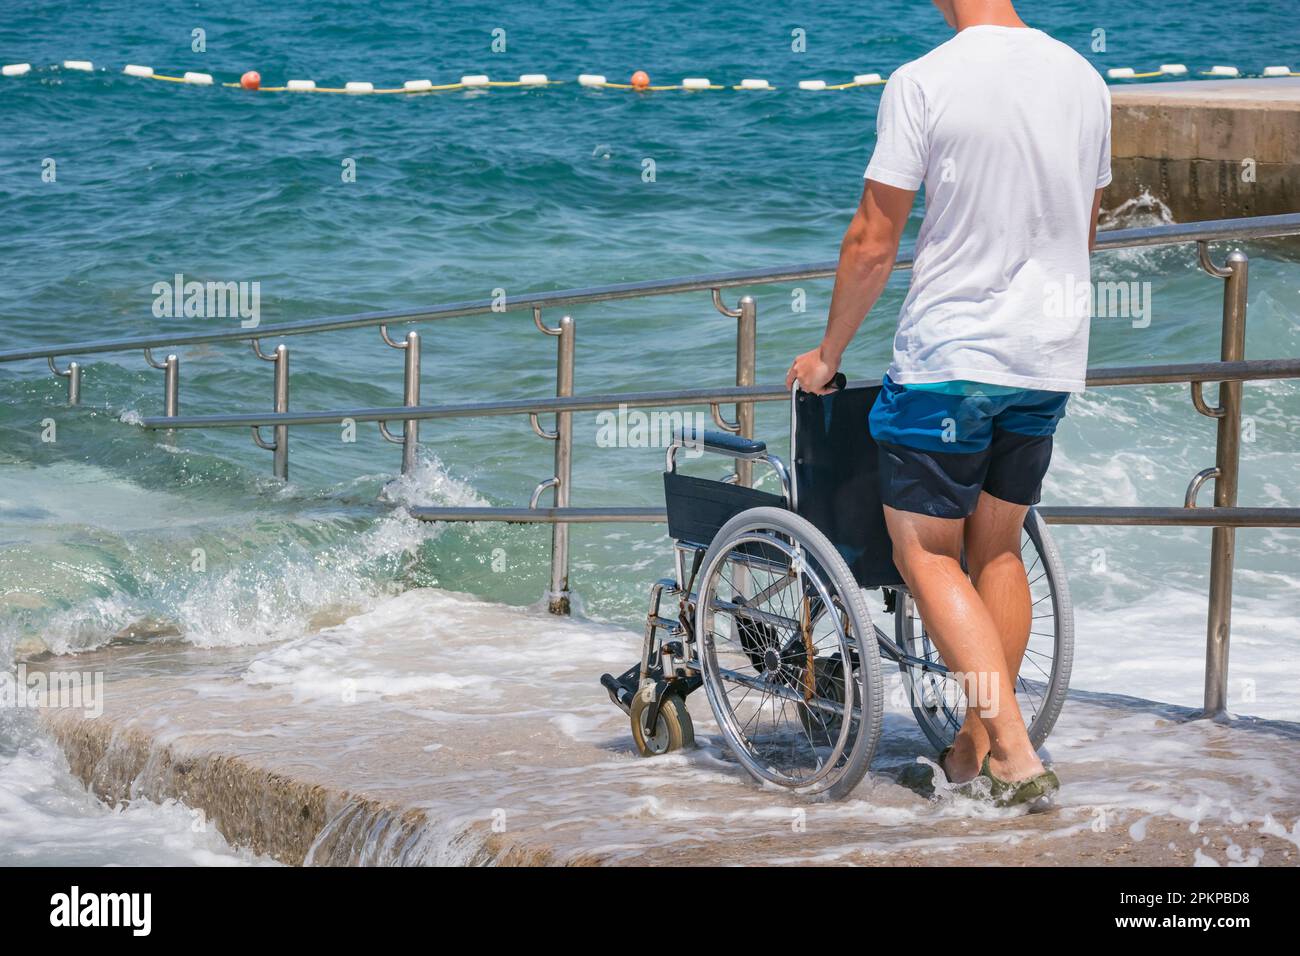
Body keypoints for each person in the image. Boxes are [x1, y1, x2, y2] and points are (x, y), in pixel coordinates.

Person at [785, 0, 1111, 808]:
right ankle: (971, 751)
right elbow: (1086, 226)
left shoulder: (924, 80)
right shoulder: (1083, 75)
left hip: (952, 361)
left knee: (924, 553)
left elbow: (873, 236)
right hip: (1049, 357)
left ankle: (1011, 753)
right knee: (996, 550)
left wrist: (827, 357)